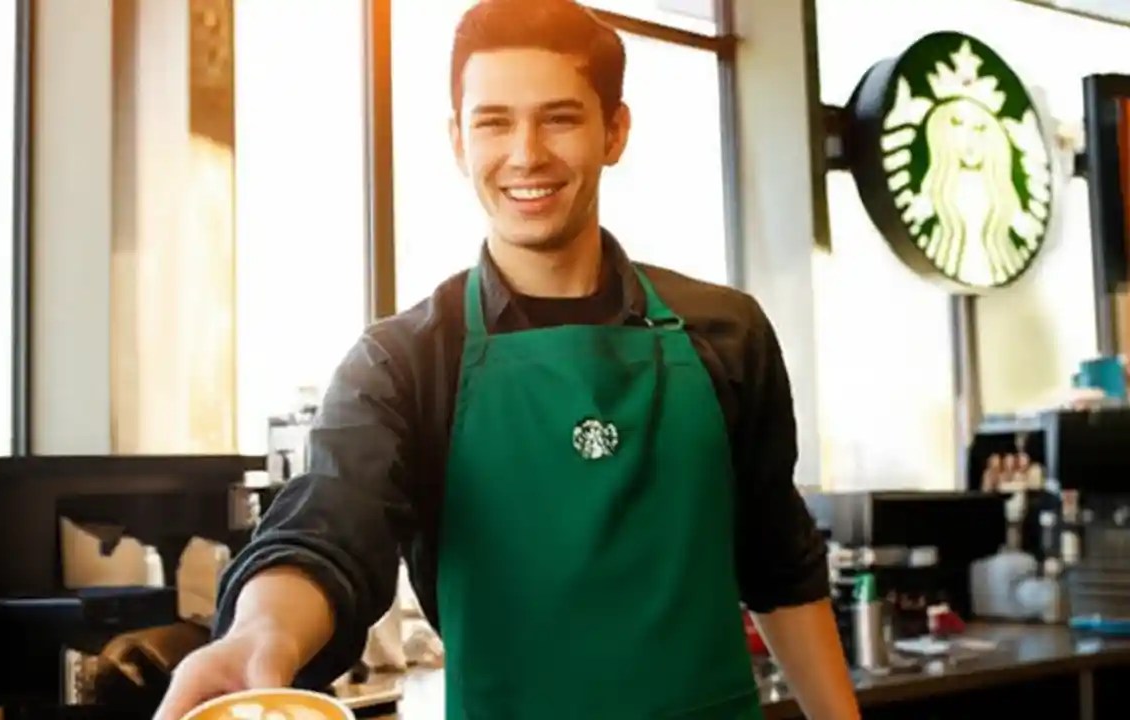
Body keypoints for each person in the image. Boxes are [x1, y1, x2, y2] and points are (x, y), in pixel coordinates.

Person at [156, 1, 860, 718]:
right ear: (458, 140)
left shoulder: (726, 333)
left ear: (614, 132)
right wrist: (262, 631)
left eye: (559, 117)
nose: (526, 154)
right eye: (494, 121)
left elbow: (779, 562)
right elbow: (330, 522)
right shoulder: (403, 363)